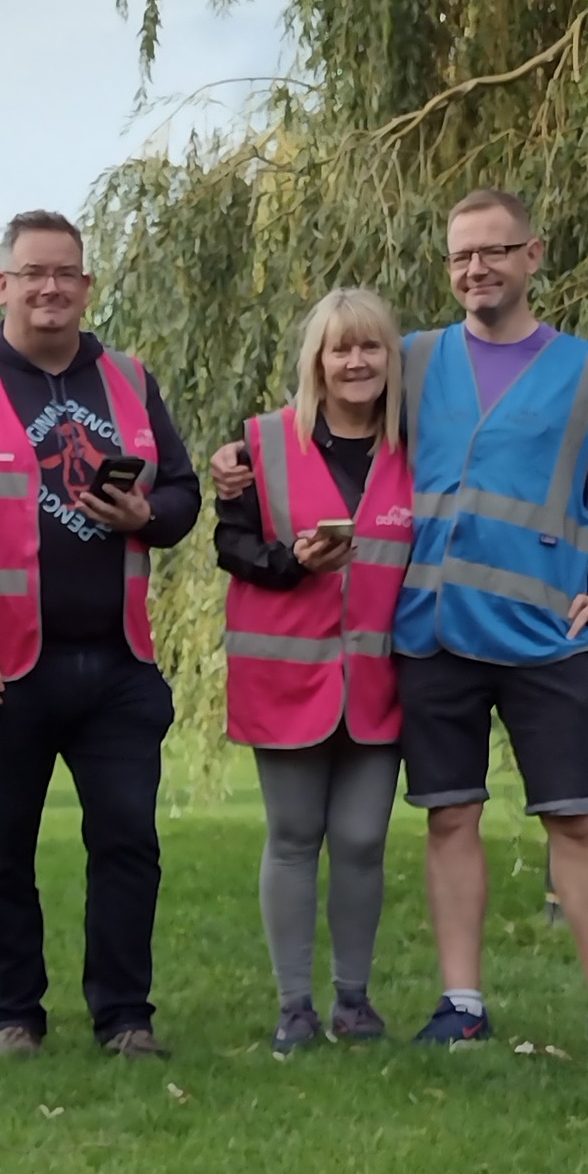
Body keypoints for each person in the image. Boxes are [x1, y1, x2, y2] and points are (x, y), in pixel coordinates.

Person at [214, 190, 588, 1062]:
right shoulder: (415, 360)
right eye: (462, 256)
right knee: (448, 819)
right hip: (429, 635)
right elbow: (331, 414)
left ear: (533, 255)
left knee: (578, 823)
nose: (478, 268)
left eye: (495, 252)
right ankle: (460, 1005)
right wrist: (238, 464)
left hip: (546, 634)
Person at [0, 209, 201, 1058]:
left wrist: (149, 511)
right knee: (1, 853)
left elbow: (182, 497)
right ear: (3, 285)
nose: (50, 288)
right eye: (33, 273)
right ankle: (14, 1017)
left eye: (65, 273)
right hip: (3, 667)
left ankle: (124, 1016)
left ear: (86, 286)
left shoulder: (131, 379)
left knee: (127, 846)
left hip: (118, 664)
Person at [217, 289, 412, 1055]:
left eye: (371, 348)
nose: (356, 362)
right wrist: (288, 560)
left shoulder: (419, 447)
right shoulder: (258, 445)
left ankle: (354, 1003)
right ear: (317, 362)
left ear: (391, 359)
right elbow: (229, 546)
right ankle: (295, 1006)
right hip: (287, 674)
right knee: (295, 835)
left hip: (382, 678)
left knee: (363, 839)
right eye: (341, 349)